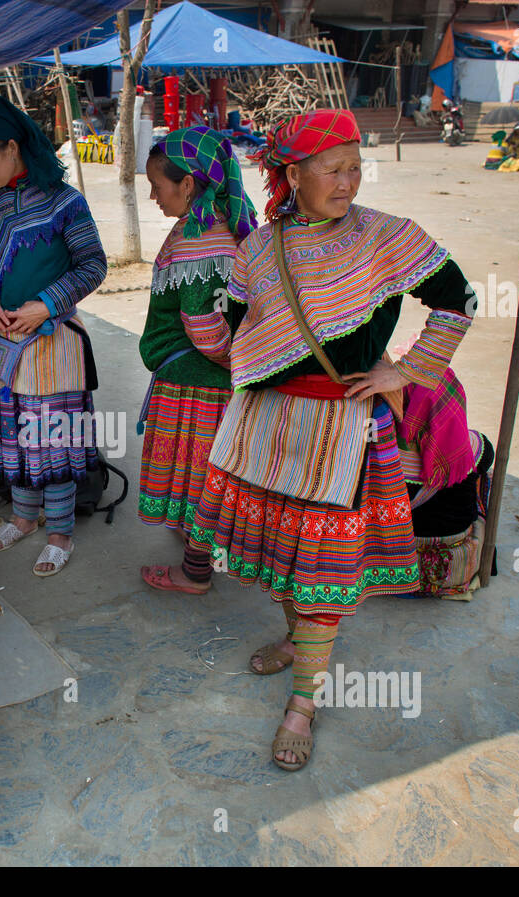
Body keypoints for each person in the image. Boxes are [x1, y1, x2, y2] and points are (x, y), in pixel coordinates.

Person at [187, 109, 477, 770]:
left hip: (343, 431)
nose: (349, 182)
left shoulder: (388, 237)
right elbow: (242, 332)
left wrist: (407, 370)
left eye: (355, 167)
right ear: (294, 174)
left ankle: (303, 703)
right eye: (334, 169)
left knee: (320, 568)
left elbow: (459, 300)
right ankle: (296, 642)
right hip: (266, 429)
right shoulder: (258, 248)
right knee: (282, 555)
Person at [0, 96, 107, 577]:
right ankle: (23, 517)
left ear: (12, 147)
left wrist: (46, 302)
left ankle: (59, 531)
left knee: (48, 439)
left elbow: (93, 264)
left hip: (50, 343)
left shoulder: (65, 202)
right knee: (12, 435)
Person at [137, 126, 256, 594]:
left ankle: (195, 572)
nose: (153, 196)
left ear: (187, 184)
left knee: (198, 478)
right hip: (204, 379)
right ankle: (200, 546)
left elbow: (203, 324)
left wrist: (236, 366)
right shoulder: (216, 224)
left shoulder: (200, 241)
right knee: (206, 475)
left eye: (157, 186)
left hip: (197, 384)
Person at [395, 364, 495, 598]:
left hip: (397, 559)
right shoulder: (475, 446)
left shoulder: (386, 457)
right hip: (454, 560)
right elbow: (485, 459)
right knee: (480, 478)